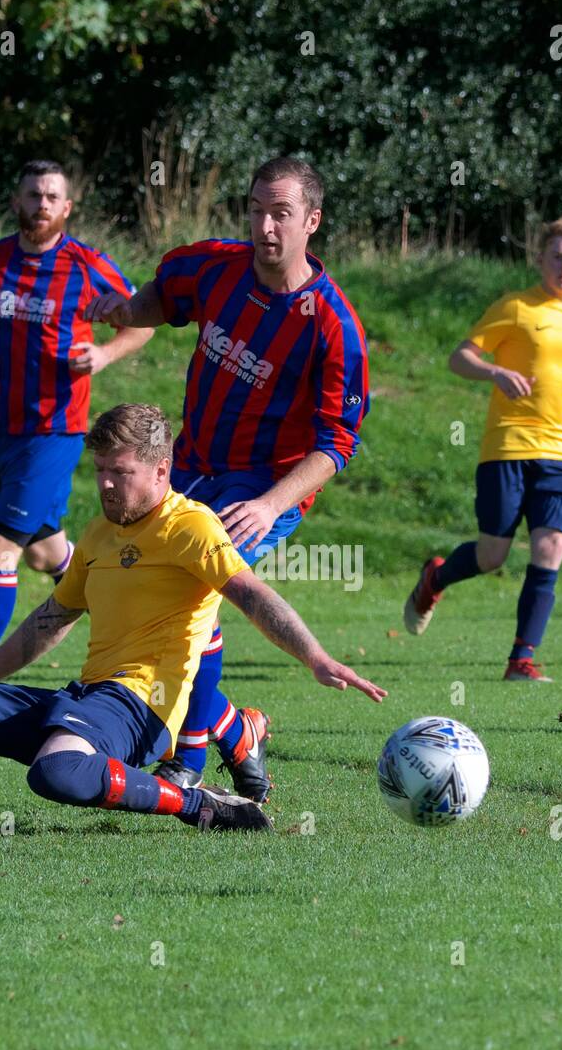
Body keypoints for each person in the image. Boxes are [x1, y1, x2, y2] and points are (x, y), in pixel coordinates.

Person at [0, 404, 385, 839]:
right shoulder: (98, 533)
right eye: (100, 469)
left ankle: (200, 805)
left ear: (160, 471)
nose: (105, 483)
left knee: (55, 773)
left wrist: (316, 657)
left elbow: (252, 596)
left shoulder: (189, 525)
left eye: (119, 472)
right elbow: (49, 621)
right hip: (86, 697)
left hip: (142, 707)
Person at [83, 156, 368, 801]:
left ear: (312, 222)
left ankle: (187, 759)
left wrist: (269, 505)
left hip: (261, 490)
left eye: (282, 214)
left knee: (194, 592)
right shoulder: (214, 265)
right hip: (185, 469)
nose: (265, 225)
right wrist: (128, 309)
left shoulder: (333, 327)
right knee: (140, 588)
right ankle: (236, 732)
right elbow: (168, 296)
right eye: (257, 209)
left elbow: (336, 445)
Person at [0, 159, 152, 679]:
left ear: (67, 207)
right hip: (2, 428)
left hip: (55, 429)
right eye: (33, 194)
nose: (41, 204)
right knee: (45, 555)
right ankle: (123, 605)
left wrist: (104, 354)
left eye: (51, 196)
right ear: (17, 201)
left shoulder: (86, 265)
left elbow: (141, 319)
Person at [403, 216, 562, 680]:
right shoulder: (517, 308)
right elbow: (459, 356)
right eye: (557, 256)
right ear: (541, 260)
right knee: (492, 557)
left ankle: (521, 659)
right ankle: (435, 578)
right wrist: (495, 372)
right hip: (506, 448)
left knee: (550, 547)